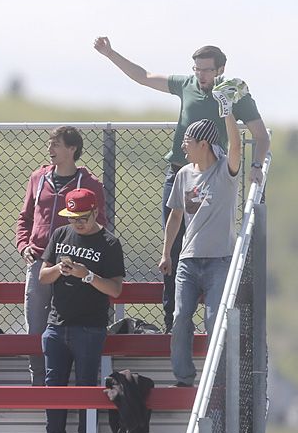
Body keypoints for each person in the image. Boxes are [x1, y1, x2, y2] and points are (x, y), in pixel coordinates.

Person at [93, 38, 269, 331]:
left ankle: (215, 321)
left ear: (221, 70)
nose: (201, 75)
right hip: (179, 173)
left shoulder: (233, 93)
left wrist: (255, 166)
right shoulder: (185, 84)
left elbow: (261, 136)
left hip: (213, 177)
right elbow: (144, 77)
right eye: (197, 69)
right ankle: (172, 322)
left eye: (207, 70)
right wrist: (111, 54)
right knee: (174, 246)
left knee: (210, 248)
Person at [16, 126, 109, 386]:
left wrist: (83, 256)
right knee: (36, 328)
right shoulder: (38, 178)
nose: (50, 149)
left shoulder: (90, 184)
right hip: (39, 264)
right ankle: (39, 384)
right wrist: (24, 245)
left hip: (73, 265)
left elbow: (100, 224)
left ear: (72, 149)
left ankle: (74, 386)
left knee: (73, 328)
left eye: (56, 144)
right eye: (49, 144)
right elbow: (24, 218)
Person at [161, 111, 242, 387]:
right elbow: (175, 217)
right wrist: (166, 253)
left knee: (213, 320)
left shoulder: (224, 171)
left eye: (188, 141)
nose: (183, 146)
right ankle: (183, 377)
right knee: (180, 317)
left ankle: (217, 379)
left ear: (204, 144)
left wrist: (227, 112)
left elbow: (236, 146)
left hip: (219, 260)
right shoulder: (184, 174)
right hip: (188, 260)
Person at [39, 188, 125, 433]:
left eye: (82, 218)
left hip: (89, 327)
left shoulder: (109, 243)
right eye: (72, 217)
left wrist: (86, 275)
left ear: (95, 212)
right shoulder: (60, 234)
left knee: (86, 386)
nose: (76, 223)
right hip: (56, 324)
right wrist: (59, 268)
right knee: (53, 386)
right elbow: (43, 277)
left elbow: (116, 289)